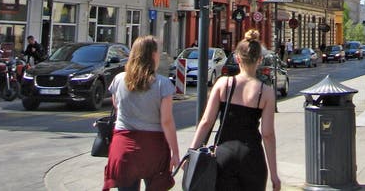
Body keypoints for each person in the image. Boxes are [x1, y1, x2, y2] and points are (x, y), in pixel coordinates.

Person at [190, 29, 281, 191]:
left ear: (237, 58)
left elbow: (206, 122)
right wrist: (274, 174)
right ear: (259, 60)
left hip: (224, 155)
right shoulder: (266, 92)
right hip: (252, 157)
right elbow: (268, 134)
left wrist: (192, 152)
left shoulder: (223, 84)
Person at [103, 35, 179, 191]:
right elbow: (166, 121)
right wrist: (175, 153)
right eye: (159, 51)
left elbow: (117, 106)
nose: (160, 54)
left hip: (124, 147)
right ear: (152, 55)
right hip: (153, 149)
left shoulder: (118, 80)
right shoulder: (162, 84)